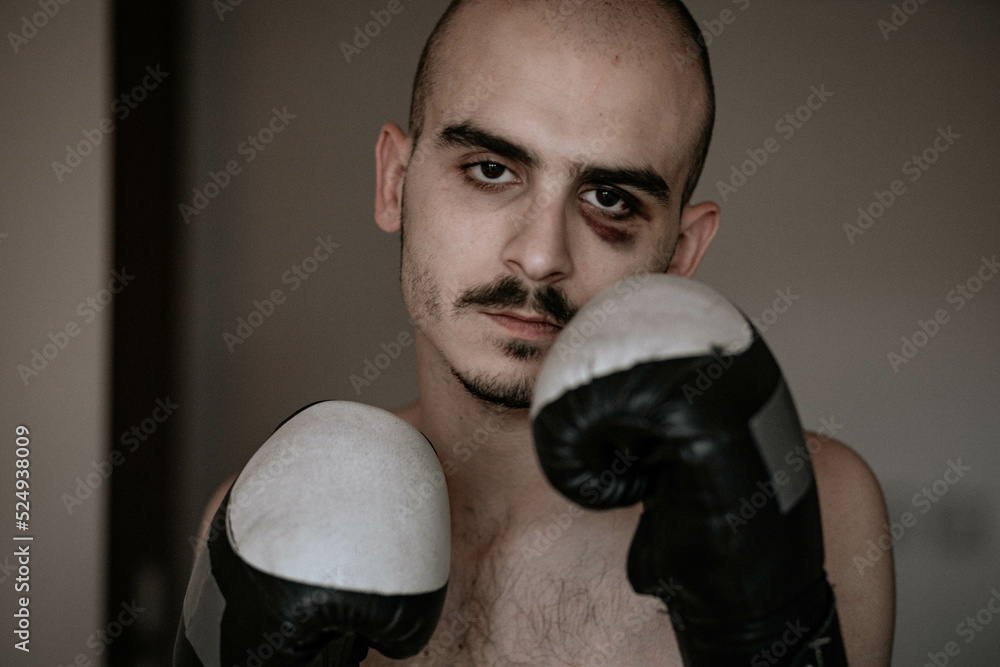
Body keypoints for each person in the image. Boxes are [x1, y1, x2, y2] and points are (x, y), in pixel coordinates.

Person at [194, 0, 895, 663]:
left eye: (610, 198)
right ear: (394, 182)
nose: (540, 255)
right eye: (492, 169)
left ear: (681, 252)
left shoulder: (818, 504)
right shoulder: (262, 523)